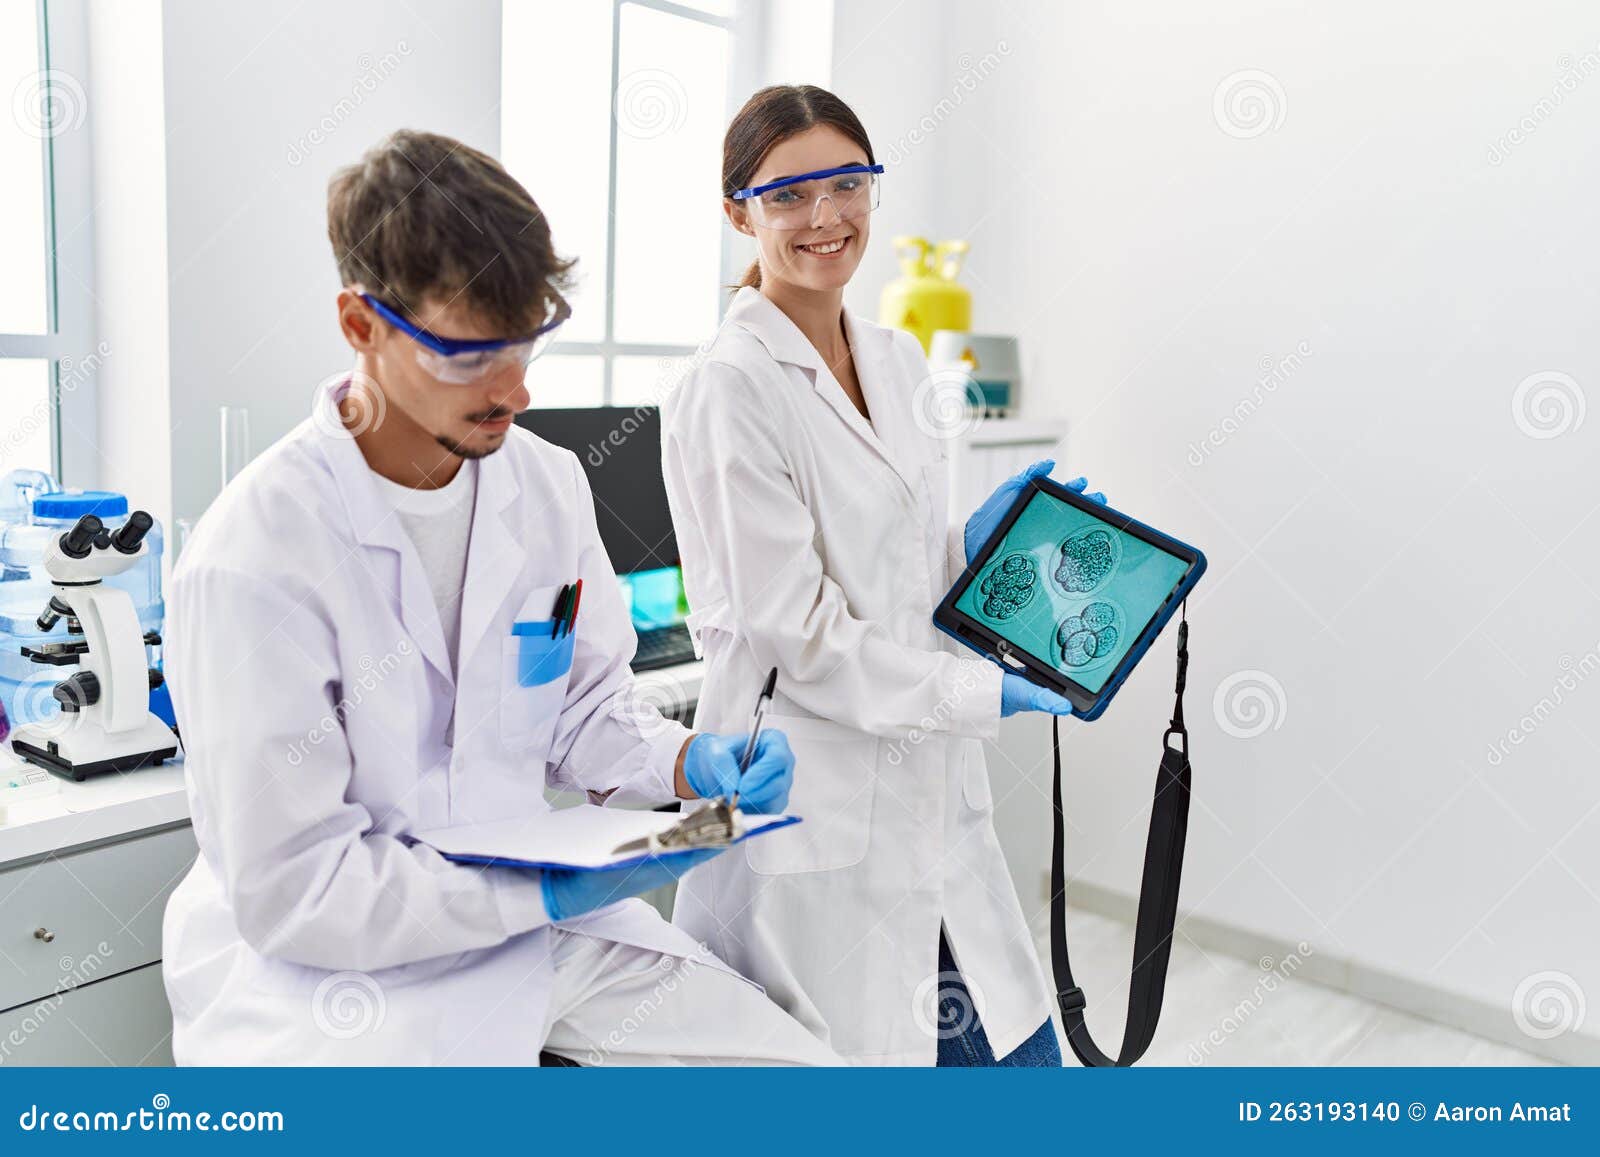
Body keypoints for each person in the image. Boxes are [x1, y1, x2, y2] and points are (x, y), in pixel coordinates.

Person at [161, 129, 837, 1066]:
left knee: (809, 1077)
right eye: (471, 353)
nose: (515, 390)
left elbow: (587, 714)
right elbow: (297, 892)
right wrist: (540, 893)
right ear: (362, 324)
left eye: (527, 343)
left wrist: (689, 763)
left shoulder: (547, 486)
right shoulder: (255, 552)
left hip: (535, 937)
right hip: (334, 983)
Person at [662, 86, 1105, 1066]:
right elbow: (798, 629)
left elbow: (896, 580)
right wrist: (978, 687)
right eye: (787, 196)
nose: (824, 217)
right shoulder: (727, 386)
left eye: (846, 184)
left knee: (1021, 1064)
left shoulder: (900, 359)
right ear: (739, 211)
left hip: (934, 805)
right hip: (819, 820)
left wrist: (971, 550)